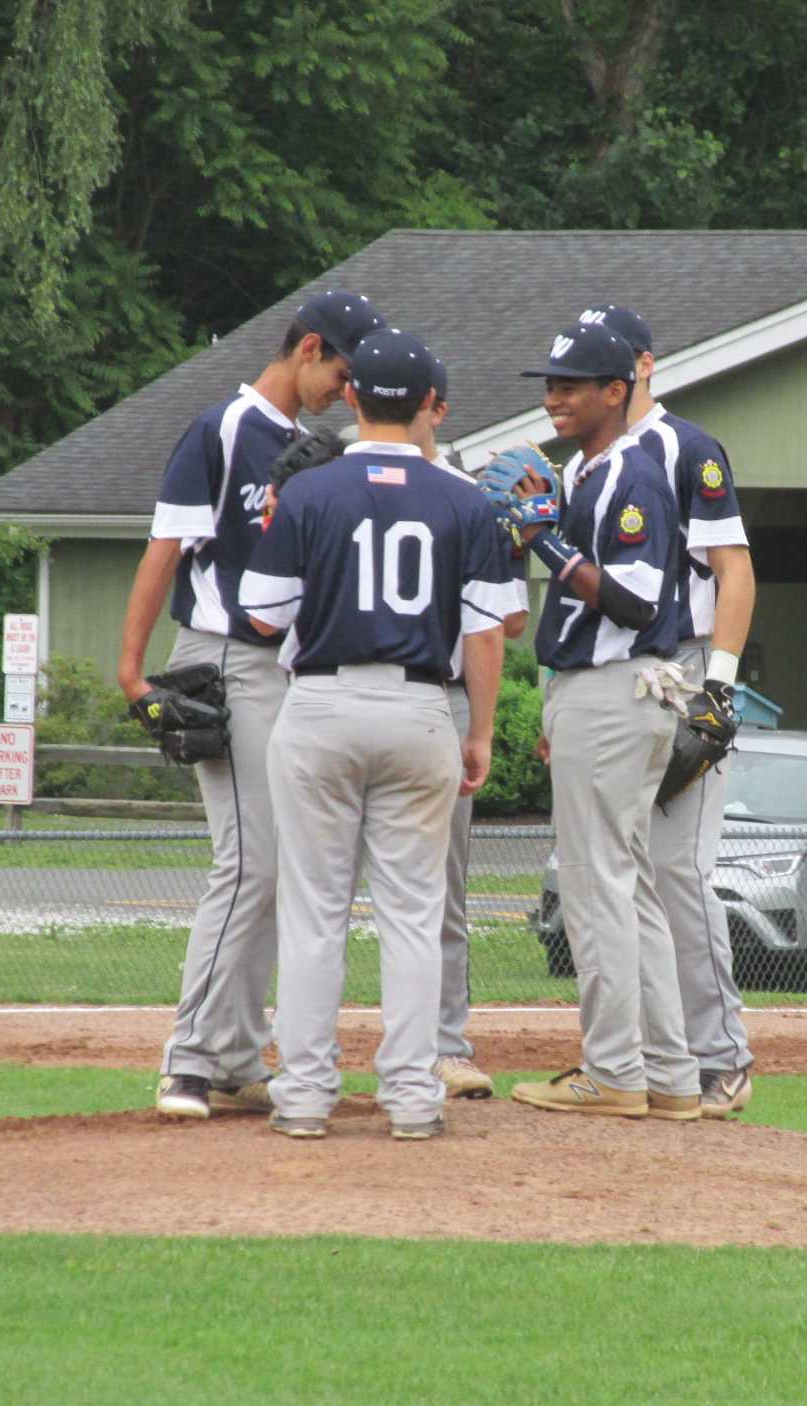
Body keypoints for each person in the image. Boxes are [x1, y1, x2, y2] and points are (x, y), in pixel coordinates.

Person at [117, 289, 387, 1120]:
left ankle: (235, 1054)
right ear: (307, 348)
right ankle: (190, 1058)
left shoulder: (314, 449)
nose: (348, 391)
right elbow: (168, 546)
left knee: (277, 872)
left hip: (289, 668)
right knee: (249, 863)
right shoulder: (224, 430)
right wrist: (132, 674)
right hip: (225, 657)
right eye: (341, 369)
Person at [239, 327, 512, 1139]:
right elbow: (489, 633)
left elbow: (261, 615)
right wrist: (482, 734)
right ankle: (412, 1098)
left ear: (353, 396)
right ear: (430, 403)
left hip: (320, 704)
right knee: (412, 913)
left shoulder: (313, 491)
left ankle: (305, 1098)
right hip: (421, 707)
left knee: (315, 911)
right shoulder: (465, 498)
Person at [504, 322, 700, 1121]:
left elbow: (637, 598)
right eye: (550, 382)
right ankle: (670, 1075)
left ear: (616, 391)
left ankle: (613, 1071)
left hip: (617, 688)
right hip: (615, 693)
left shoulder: (631, 474)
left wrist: (544, 540)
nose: (555, 395)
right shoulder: (595, 471)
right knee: (632, 889)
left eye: (573, 384)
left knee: (596, 889)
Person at [573, 302, 758, 1117]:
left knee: (677, 869)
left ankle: (721, 1058)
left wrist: (718, 685)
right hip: (617, 674)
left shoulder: (684, 447)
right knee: (624, 874)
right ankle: (651, 1059)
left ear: (641, 366)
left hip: (682, 667)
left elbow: (735, 569)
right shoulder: (589, 461)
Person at [411, 354, 530, 1100]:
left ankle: (446, 1044)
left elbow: (507, 623)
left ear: (438, 409)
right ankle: (299, 1047)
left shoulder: (468, 499)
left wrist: (516, 540)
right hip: (346, 693)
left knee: (442, 890)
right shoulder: (333, 481)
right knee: (316, 886)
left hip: (439, 694)